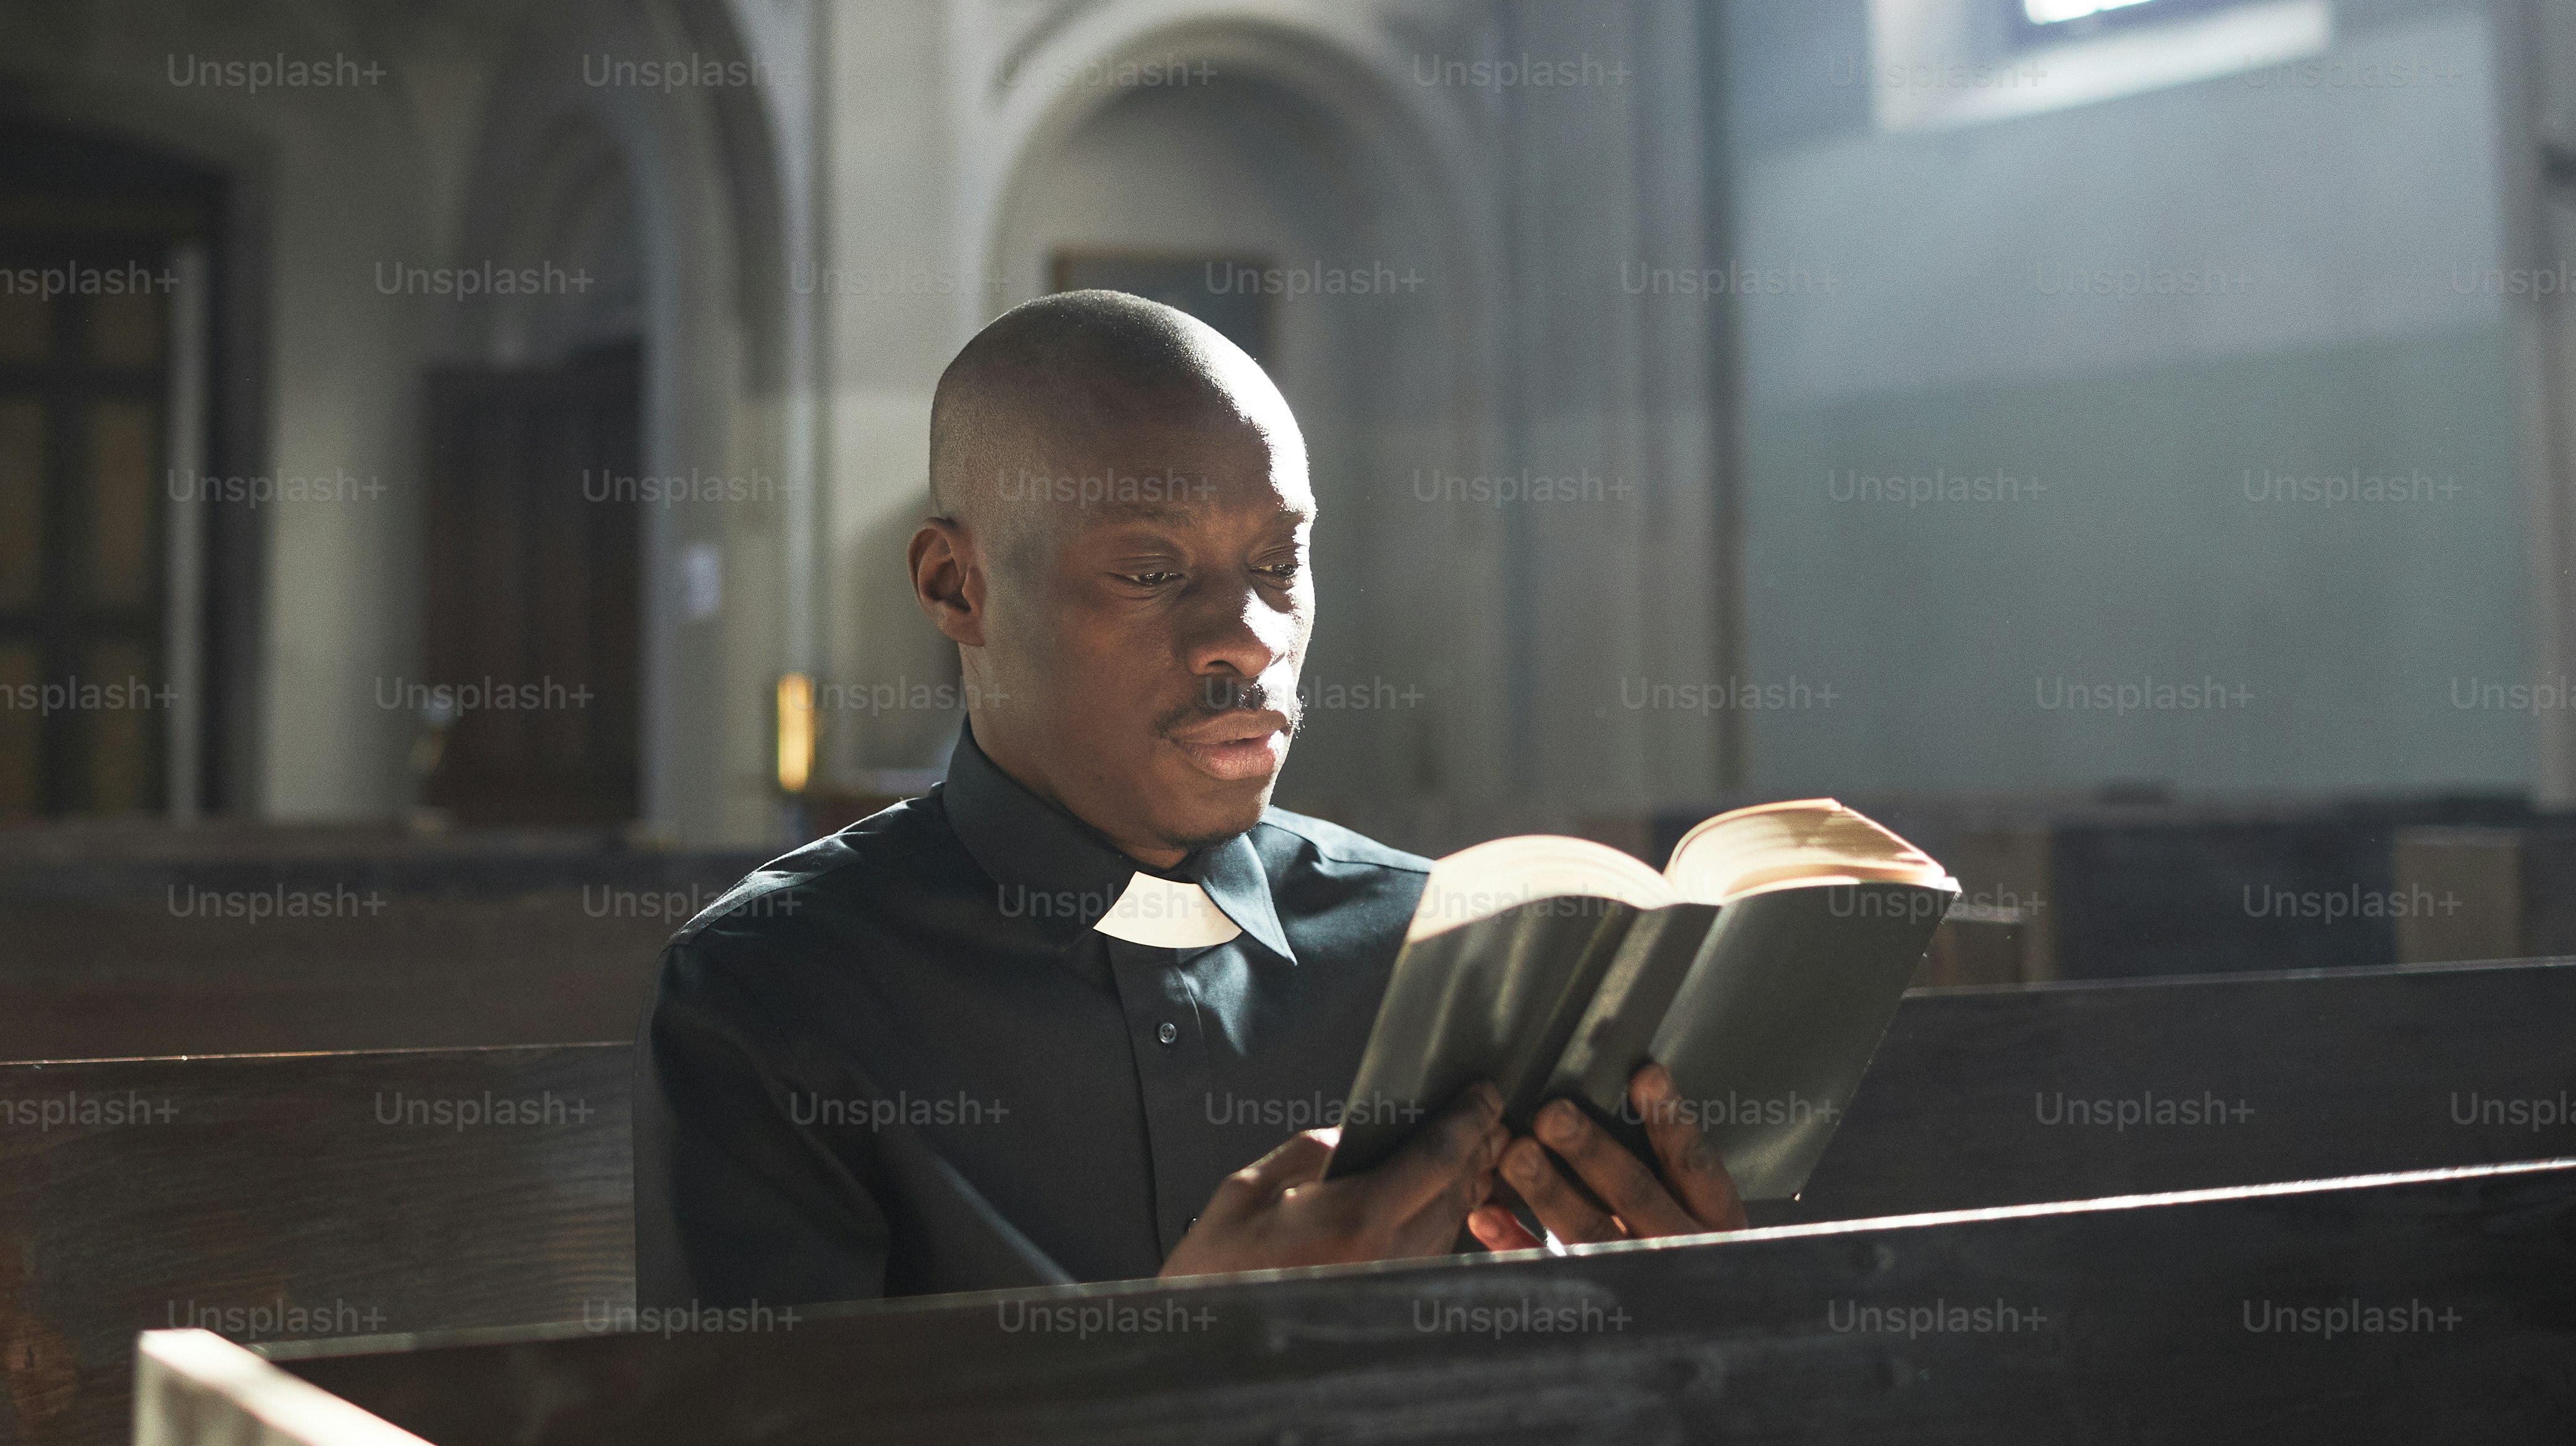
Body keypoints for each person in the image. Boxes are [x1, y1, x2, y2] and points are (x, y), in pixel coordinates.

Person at [639, 289, 1746, 1301]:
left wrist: (1688, 1321)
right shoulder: (772, 990)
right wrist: (1179, 1356)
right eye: (1153, 573)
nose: (1248, 641)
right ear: (956, 585)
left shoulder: (1448, 955)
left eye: (1279, 564)